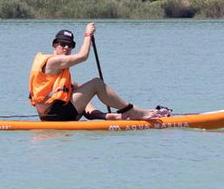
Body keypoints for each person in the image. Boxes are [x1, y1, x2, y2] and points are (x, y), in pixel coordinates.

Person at [28, 23, 168, 122]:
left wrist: (105, 116)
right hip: (56, 115)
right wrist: (88, 34)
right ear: (54, 45)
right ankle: (133, 112)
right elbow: (83, 56)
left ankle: (106, 116)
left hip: (53, 114)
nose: (66, 48)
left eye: (70, 45)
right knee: (96, 84)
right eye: (62, 44)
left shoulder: (55, 64)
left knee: (74, 86)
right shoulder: (53, 61)